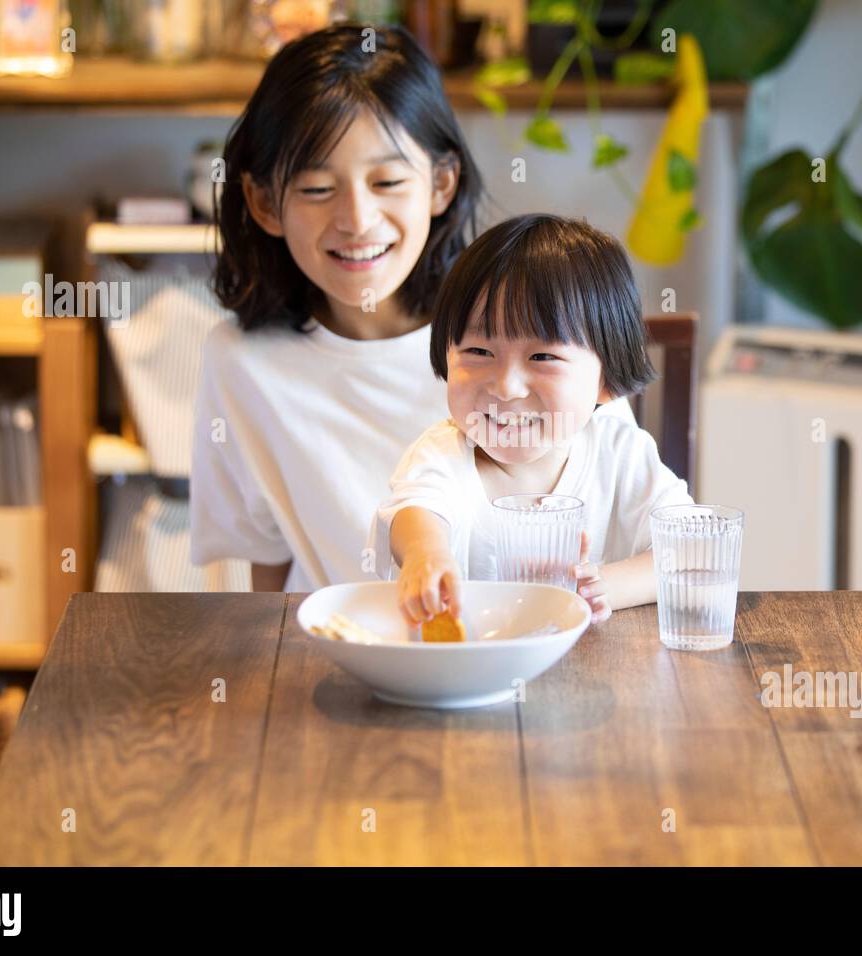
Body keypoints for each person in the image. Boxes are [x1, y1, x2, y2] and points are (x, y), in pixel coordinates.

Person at [191, 24, 635, 592]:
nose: (357, 220)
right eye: (317, 189)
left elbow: (622, 510)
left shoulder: (537, 329)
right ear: (263, 203)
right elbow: (267, 572)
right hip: (347, 657)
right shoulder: (241, 362)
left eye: (388, 180)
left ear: (442, 183)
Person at [370, 214, 694, 626]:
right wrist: (426, 556)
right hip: (475, 673)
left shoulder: (621, 453)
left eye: (542, 357)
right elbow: (416, 511)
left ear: (607, 381)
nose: (506, 387)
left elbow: (686, 548)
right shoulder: (442, 453)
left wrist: (605, 587)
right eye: (478, 352)